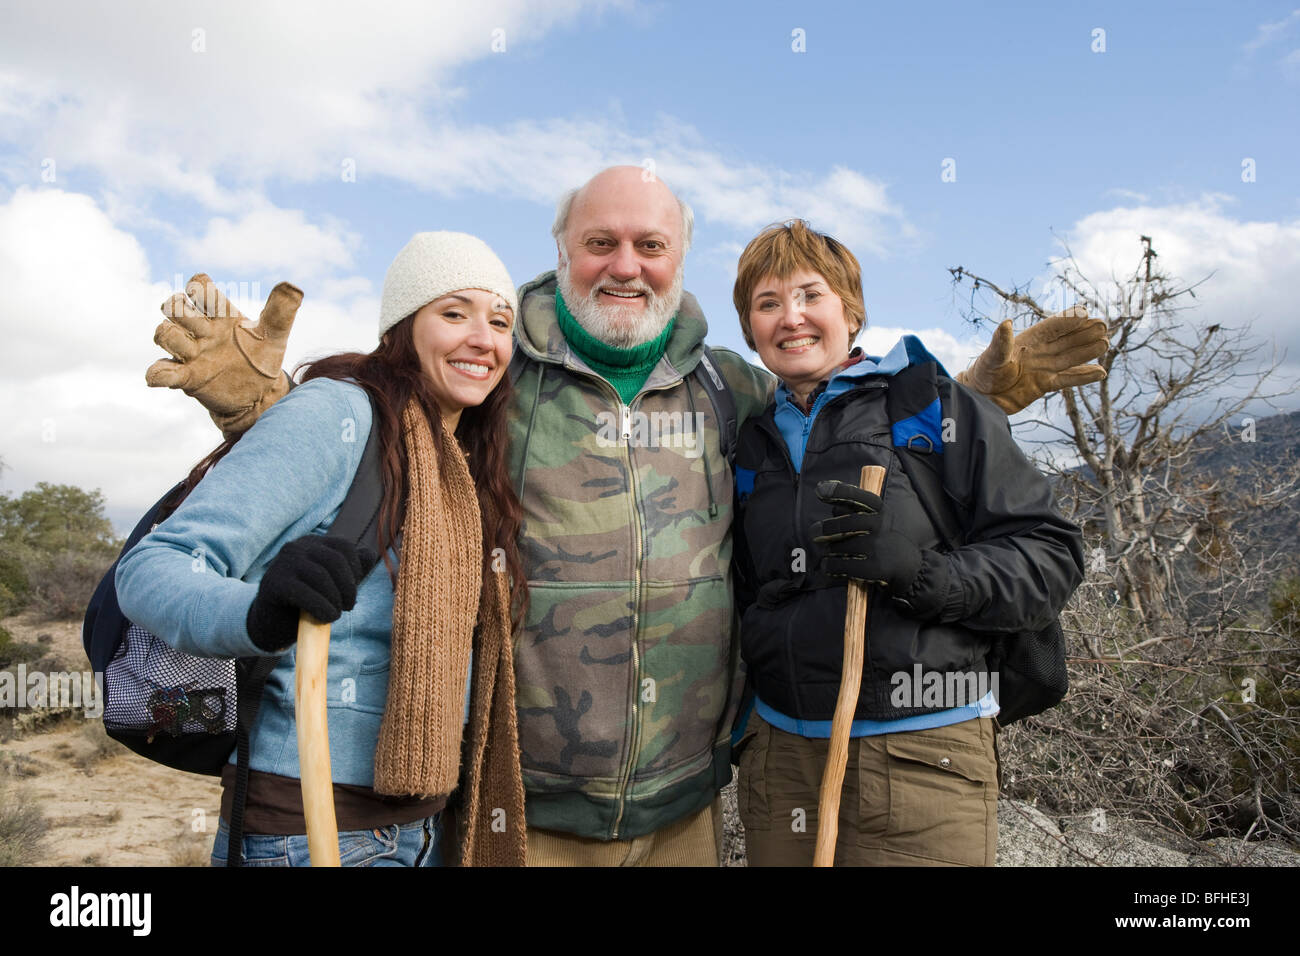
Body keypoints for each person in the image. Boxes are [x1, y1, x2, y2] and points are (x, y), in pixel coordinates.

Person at [142, 167, 1107, 866]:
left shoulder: (730, 388)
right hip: (515, 801)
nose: (625, 267)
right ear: (562, 254)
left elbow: (840, 439)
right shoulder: (498, 373)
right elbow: (388, 431)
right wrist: (254, 411)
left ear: (679, 260)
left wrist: (970, 400)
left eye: (651, 246)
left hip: (687, 805)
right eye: (600, 244)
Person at [117, 231, 529, 866]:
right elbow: (155, 566)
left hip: (423, 829)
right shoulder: (339, 415)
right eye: (454, 313)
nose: (484, 337)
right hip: (306, 834)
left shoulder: (464, 463)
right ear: (403, 327)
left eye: (499, 321)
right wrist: (259, 611)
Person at [729, 220, 1086, 866]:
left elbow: (1051, 554)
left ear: (852, 310)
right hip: (781, 762)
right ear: (749, 327)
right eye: (768, 303)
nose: (792, 318)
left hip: (925, 755)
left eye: (812, 295)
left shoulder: (930, 406)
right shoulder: (750, 444)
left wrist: (919, 572)